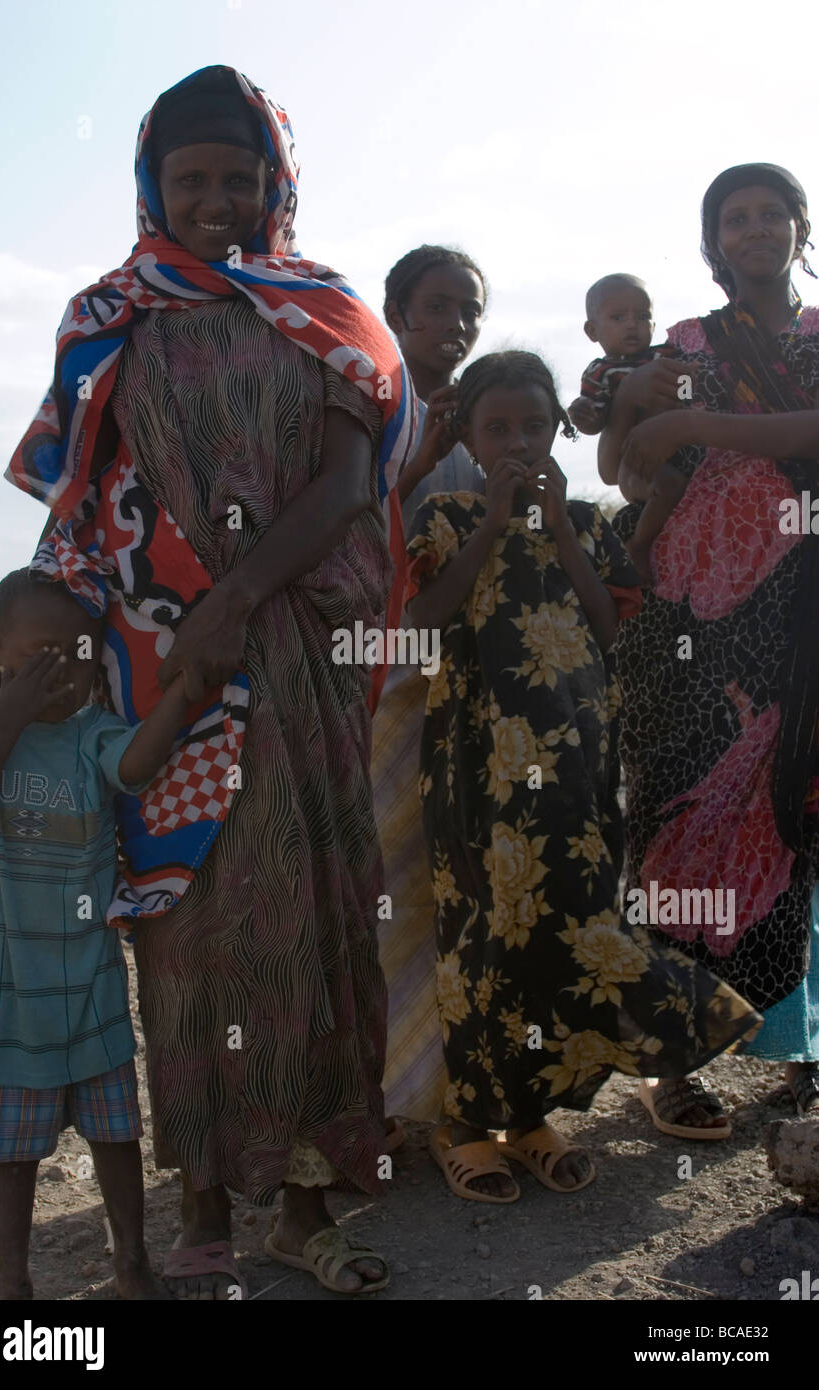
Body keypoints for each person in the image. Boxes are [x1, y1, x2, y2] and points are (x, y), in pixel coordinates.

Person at [0, 65, 415, 1298]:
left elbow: (343, 489)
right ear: (151, 186)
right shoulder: (109, 314)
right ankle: (203, 1206)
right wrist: (27, 658)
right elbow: (78, 501)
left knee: (307, 911)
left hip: (289, 654)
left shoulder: (327, 311)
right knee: (185, 932)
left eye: (239, 176)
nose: (216, 197)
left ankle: (305, 1201)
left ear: (276, 183)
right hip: (162, 670)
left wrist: (234, 599)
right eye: (191, 179)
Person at [406, 350, 759, 1203]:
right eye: (499, 430)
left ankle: (526, 1118)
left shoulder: (591, 522)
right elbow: (421, 621)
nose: (520, 444)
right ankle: (463, 1125)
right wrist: (493, 523)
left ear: (561, 428)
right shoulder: (447, 516)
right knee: (485, 938)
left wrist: (559, 525)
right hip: (477, 765)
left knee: (571, 920)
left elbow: (606, 627)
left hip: (576, 756)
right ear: (469, 439)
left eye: (535, 425)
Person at [599, 163, 819, 1133]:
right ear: (711, 239)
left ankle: (793, 1046)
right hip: (683, 612)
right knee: (671, 810)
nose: (755, 227)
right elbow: (619, 463)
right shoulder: (684, 343)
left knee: (791, 813)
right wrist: (631, 402)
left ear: (800, 229)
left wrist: (691, 419)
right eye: (734, 216)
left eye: (772, 211)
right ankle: (668, 1058)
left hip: (797, 604)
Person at [0, 571, 189, 1299]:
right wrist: (3, 723)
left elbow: (137, 763)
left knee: (116, 1137)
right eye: (43, 655)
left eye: (82, 655)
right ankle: (14, 1281)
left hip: (88, 981)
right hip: (5, 990)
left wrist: (186, 690)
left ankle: (132, 1266)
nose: (66, 669)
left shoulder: (93, 736)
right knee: (13, 1153)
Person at [373, 244, 487, 1144]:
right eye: (440, 306)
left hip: (463, 685)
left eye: (470, 310)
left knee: (454, 882)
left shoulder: (480, 420)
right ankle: (388, 1094)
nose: (456, 324)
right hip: (381, 682)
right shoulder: (369, 407)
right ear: (397, 311)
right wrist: (424, 454)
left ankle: (441, 1089)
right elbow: (344, 526)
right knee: (391, 886)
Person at [568, 274, 685, 585]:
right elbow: (596, 421)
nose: (632, 325)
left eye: (643, 316)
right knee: (670, 487)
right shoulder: (600, 373)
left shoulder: (666, 357)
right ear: (593, 331)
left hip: (678, 452)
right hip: (632, 464)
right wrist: (582, 416)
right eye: (618, 317)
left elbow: (690, 390)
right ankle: (639, 545)